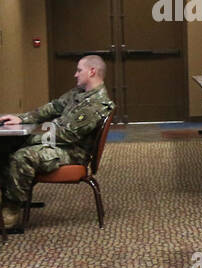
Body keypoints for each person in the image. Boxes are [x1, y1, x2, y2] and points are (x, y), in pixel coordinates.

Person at [0, 55, 115, 230]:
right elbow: (53, 108)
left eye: (79, 70)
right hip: (59, 144)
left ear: (92, 72)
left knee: (23, 155)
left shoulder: (96, 104)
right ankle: (10, 197)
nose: (75, 75)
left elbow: (66, 135)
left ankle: (10, 213)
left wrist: (27, 139)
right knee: (8, 149)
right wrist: (21, 118)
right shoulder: (79, 93)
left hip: (72, 153)